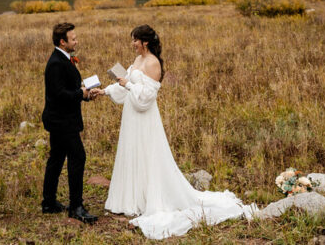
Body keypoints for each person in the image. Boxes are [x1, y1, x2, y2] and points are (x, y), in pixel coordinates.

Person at [103, 24, 253, 239]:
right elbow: (123, 84)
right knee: (132, 151)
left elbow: (146, 98)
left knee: (147, 153)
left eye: (135, 40)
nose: (132, 44)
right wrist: (106, 90)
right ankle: (131, 198)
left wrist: (128, 85)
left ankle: (149, 197)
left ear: (145, 42)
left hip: (145, 117)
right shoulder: (137, 60)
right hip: (131, 115)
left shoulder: (153, 63)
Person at [41, 21, 103, 223]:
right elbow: (58, 94)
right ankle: (76, 206)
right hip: (62, 121)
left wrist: (85, 94)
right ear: (62, 41)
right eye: (73, 38)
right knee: (78, 157)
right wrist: (80, 93)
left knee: (57, 158)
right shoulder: (56, 63)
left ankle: (49, 203)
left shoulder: (63, 58)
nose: (77, 41)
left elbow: (68, 89)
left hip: (61, 119)